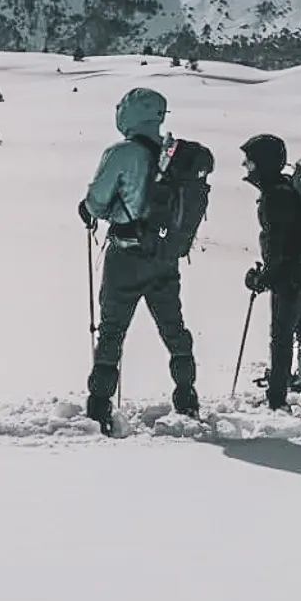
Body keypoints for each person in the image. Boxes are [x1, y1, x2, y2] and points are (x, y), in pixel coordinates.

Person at [78, 87, 199, 433]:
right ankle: (187, 396)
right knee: (173, 327)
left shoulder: (121, 153)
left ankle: (99, 405)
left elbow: (97, 202)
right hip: (164, 255)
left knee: (112, 330)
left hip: (126, 253)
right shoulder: (172, 154)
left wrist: (90, 210)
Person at [241, 133, 301, 410]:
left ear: (264, 163)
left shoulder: (275, 196)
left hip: (291, 278)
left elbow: (279, 245)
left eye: (250, 162)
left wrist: (262, 279)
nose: (246, 166)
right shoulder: (285, 189)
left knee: (281, 339)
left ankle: (277, 400)